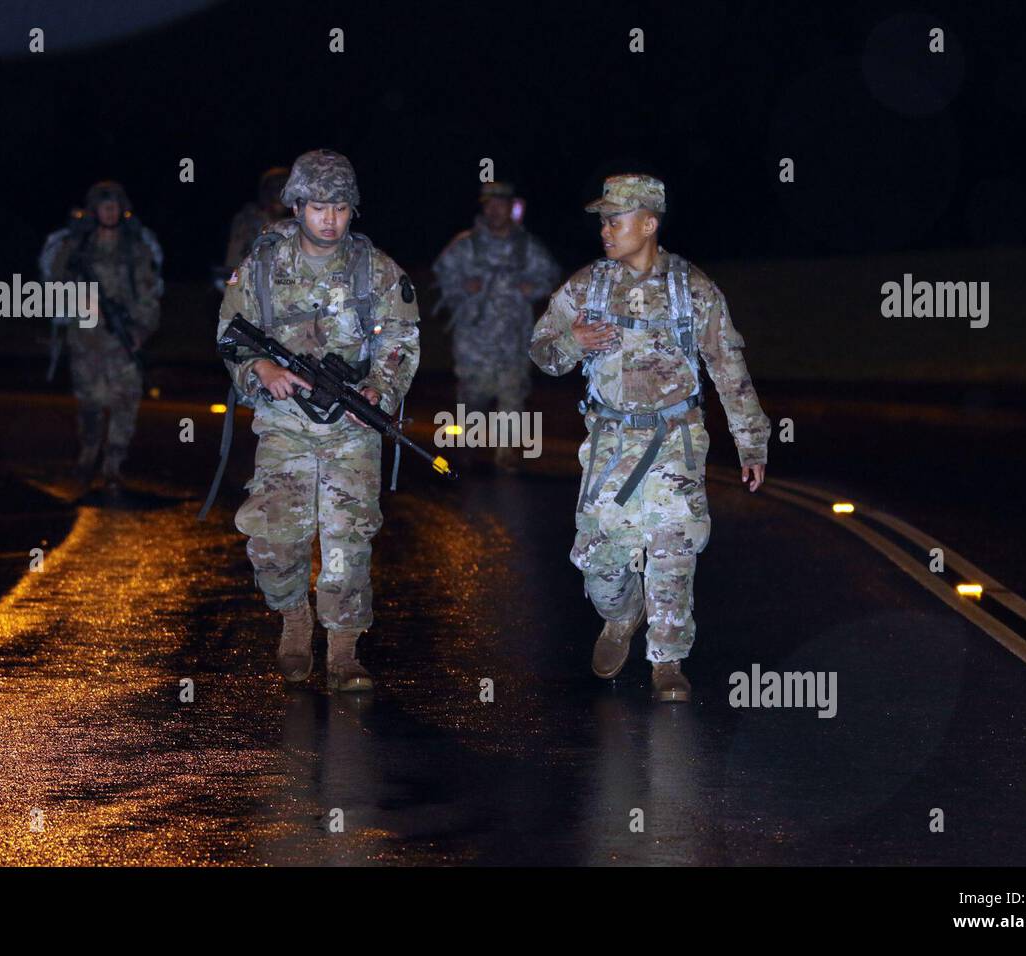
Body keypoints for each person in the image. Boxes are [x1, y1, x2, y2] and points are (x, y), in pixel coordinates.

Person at [529, 174, 770, 702]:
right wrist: (572, 340)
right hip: (610, 442)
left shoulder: (693, 289)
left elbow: (728, 368)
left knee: (674, 551)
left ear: (649, 223)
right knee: (599, 561)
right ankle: (621, 616)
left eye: (615, 220)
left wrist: (752, 443)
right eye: (603, 221)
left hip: (676, 440)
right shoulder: (587, 286)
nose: (606, 231)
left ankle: (668, 660)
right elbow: (542, 352)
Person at [216, 149, 420, 692]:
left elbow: (402, 340)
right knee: (274, 542)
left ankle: (345, 650)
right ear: (298, 205)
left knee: (347, 543)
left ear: (353, 210)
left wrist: (381, 386)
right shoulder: (263, 263)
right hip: (284, 423)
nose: (330, 218)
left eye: (341, 207)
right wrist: (260, 367)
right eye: (319, 207)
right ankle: (293, 617)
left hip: (351, 424)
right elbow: (229, 332)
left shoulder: (375, 269)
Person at [432, 181, 560, 469]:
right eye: (489, 205)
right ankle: (466, 444)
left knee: (512, 393)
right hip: (474, 340)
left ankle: (505, 452)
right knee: (473, 395)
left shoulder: (526, 247)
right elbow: (442, 277)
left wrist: (533, 288)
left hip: (514, 337)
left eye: (500, 204)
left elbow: (551, 277)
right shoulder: (466, 245)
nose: (494, 210)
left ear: (511, 207)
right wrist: (463, 286)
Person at [44, 180, 161, 490]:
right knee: (89, 401)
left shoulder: (135, 249)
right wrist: (78, 300)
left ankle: (113, 463)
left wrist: (141, 331)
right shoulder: (76, 248)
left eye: (114, 205)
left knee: (126, 400)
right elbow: (54, 285)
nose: (110, 211)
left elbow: (149, 294)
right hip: (86, 339)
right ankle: (88, 453)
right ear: (93, 210)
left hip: (122, 339)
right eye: (103, 205)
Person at [223, 166, 291, 274]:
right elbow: (234, 261)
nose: (279, 192)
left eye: (283, 186)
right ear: (266, 191)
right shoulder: (249, 220)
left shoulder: (295, 221)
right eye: (275, 187)